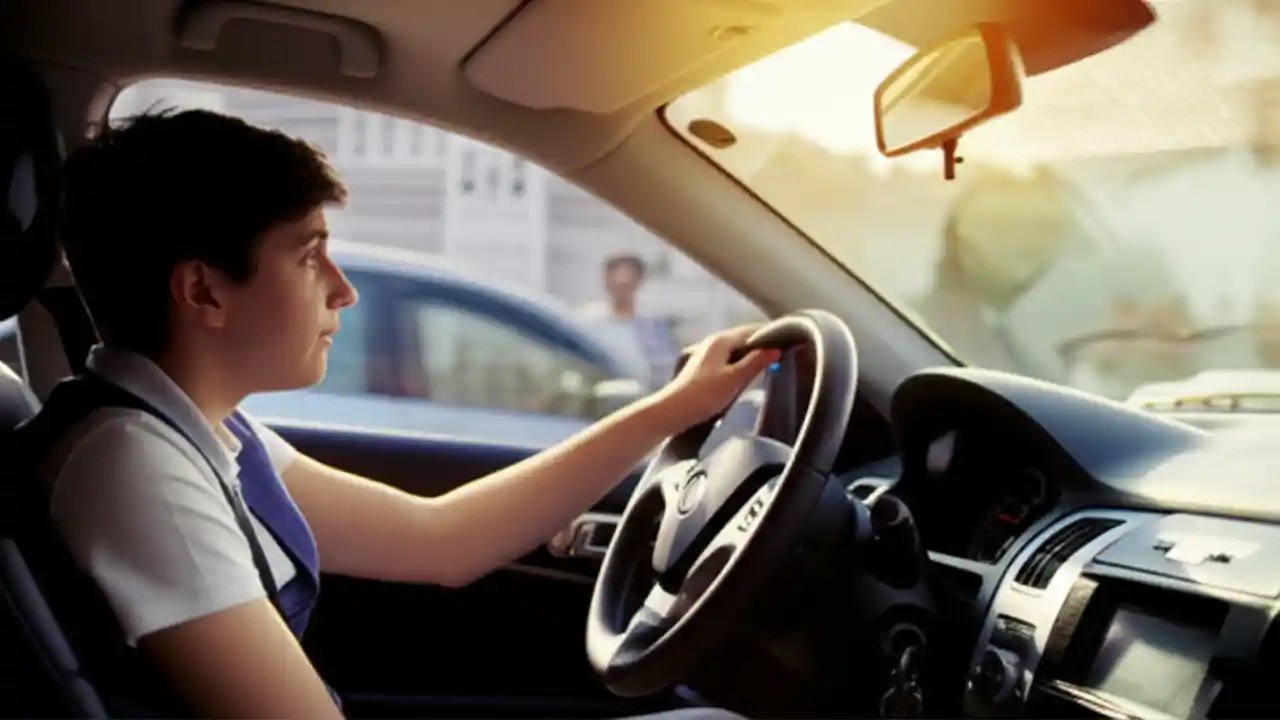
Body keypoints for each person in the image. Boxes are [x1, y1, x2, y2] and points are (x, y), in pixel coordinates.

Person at [33, 109, 773, 718]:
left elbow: (440, 539)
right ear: (202, 292)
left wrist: (671, 409)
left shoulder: (200, 432)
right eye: (308, 256)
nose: (343, 290)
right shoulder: (135, 467)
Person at [581, 253, 682, 390]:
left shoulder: (651, 325)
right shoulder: (590, 322)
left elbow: (665, 367)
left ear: (638, 282)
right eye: (615, 283)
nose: (621, 291)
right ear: (606, 281)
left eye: (626, 284)